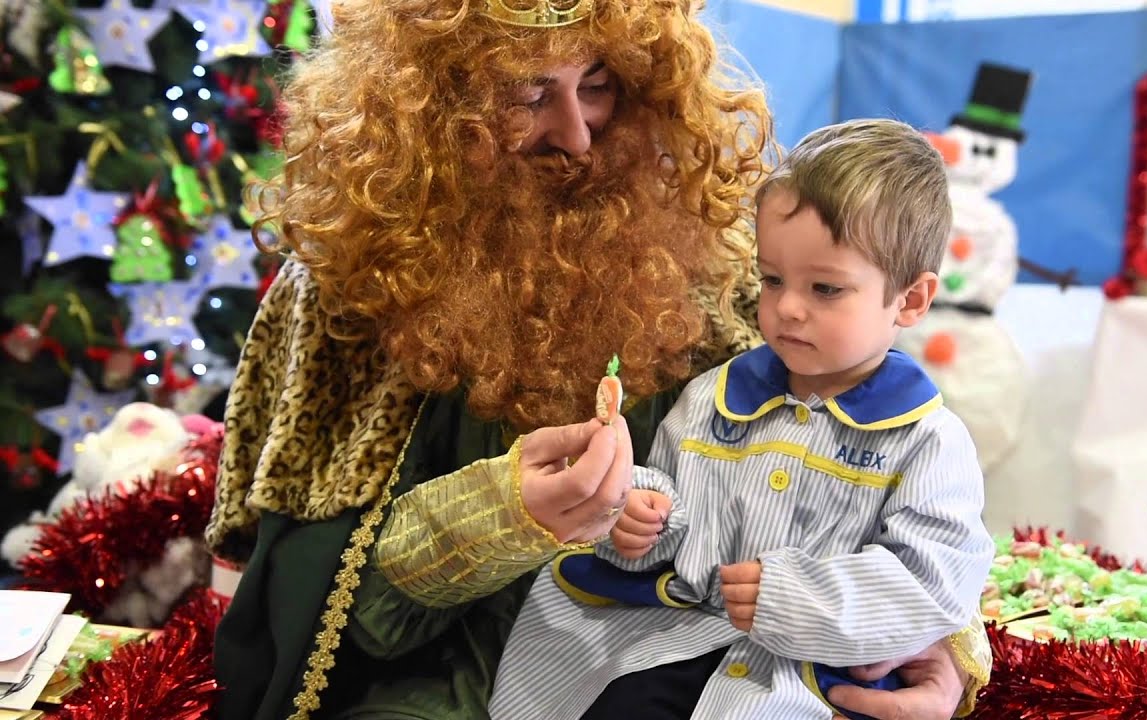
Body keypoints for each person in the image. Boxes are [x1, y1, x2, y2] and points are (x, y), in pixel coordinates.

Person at [204, 1, 992, 718]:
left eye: (600, 83)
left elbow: (881, 488)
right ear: (437, 106)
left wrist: (946, 648)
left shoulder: (724, 262)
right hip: (434, 685)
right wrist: (501, 515)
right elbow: (319, 601)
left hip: (674, 666)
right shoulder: (345, 288)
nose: (577, 135)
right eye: (528, 94)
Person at [489, 119, 994, 720]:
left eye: (826, 289)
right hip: (673, 641)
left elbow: (933, 581)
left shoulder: (927, 443)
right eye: (773, 278)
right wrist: (641, 517)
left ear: (909, 301)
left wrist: (797, 600)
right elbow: (669, 503)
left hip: (806, 677)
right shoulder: (712, 397)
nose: (786, 309)